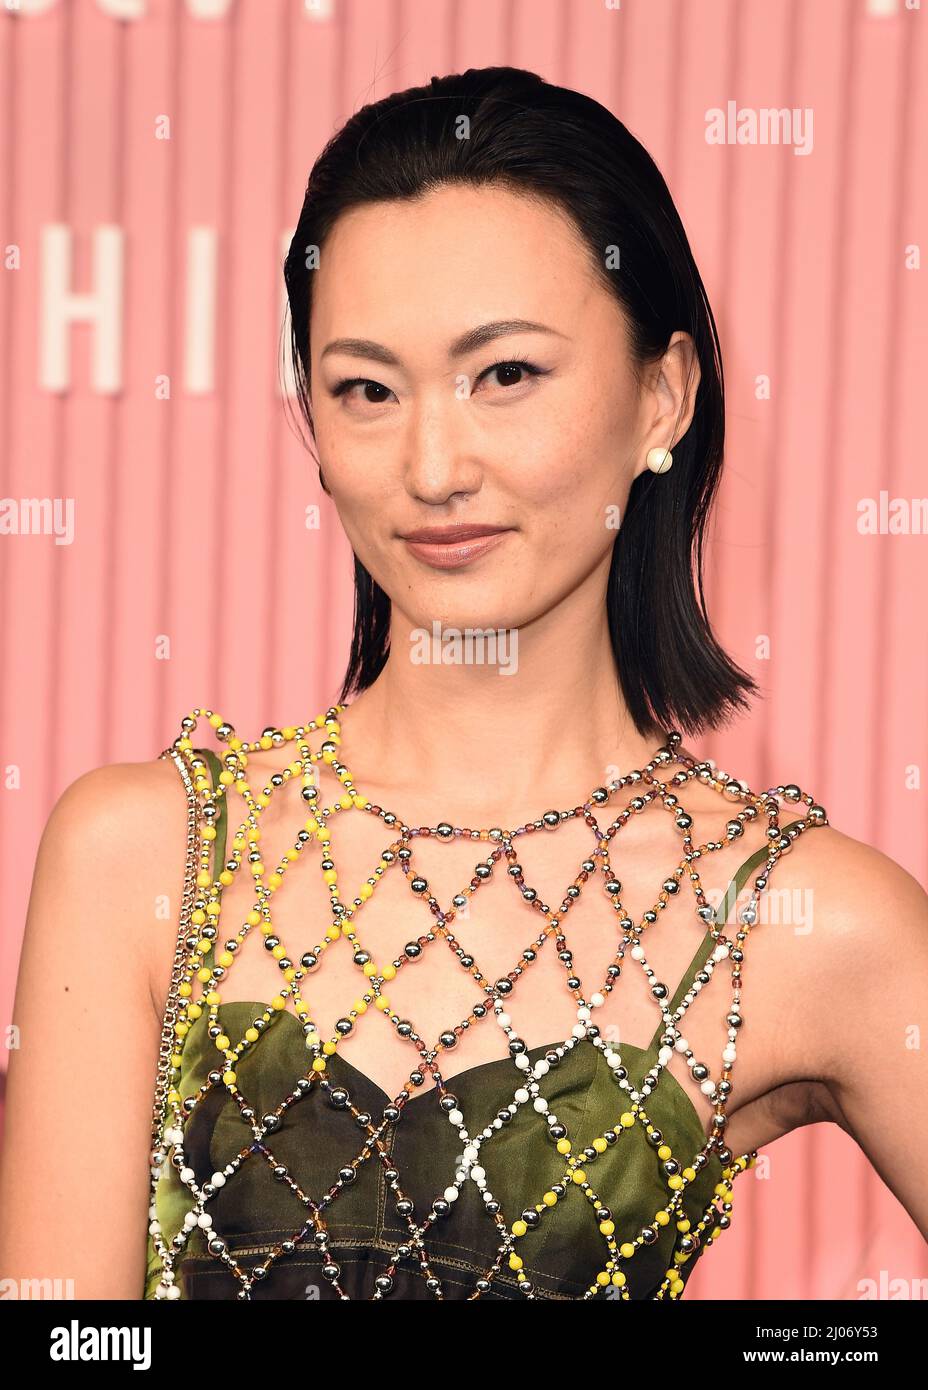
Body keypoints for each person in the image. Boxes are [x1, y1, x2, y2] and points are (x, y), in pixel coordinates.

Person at [1, 66, 925, 1301]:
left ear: (664, 395)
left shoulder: (804, 922)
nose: (433, 467)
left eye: (506, 376)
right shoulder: (143, 851)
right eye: (366, 391)